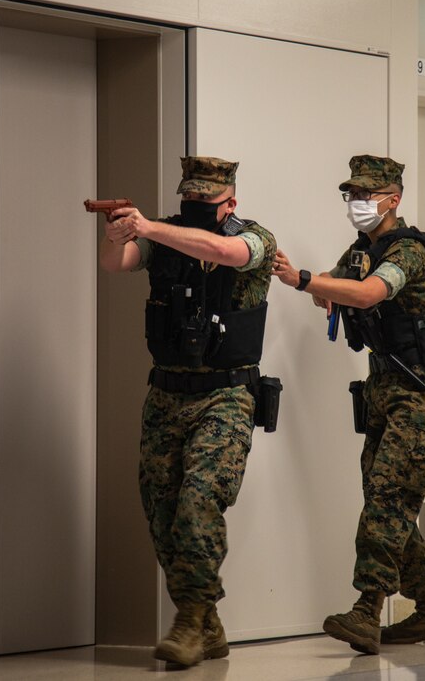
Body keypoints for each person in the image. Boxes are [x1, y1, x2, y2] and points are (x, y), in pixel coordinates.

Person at [272, 155, 425, 655]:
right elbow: (338, 291)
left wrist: (308, 280)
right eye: (351, 195)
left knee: (387, 497)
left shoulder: (410, 253)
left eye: (365, 195)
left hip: (419, 394)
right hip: (382, 390)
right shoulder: (361, 249)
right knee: (389, 499)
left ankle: (366, 609)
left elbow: (370, 292)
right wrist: (320, 288)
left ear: (392, 199)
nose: (356, 204)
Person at [99, 156, 277, 666]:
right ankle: (209, 624)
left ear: (231, 202)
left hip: (225, 396)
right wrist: (118, 235)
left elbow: (224, 252)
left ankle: (189, 622)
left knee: (199, 503)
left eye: (206, 200)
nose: (195, 207)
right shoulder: (164, 236)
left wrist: (149, 225)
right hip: (167, 395)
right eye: (189, 199)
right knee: (162, 513)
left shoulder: (254, 239)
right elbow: (117, 264)